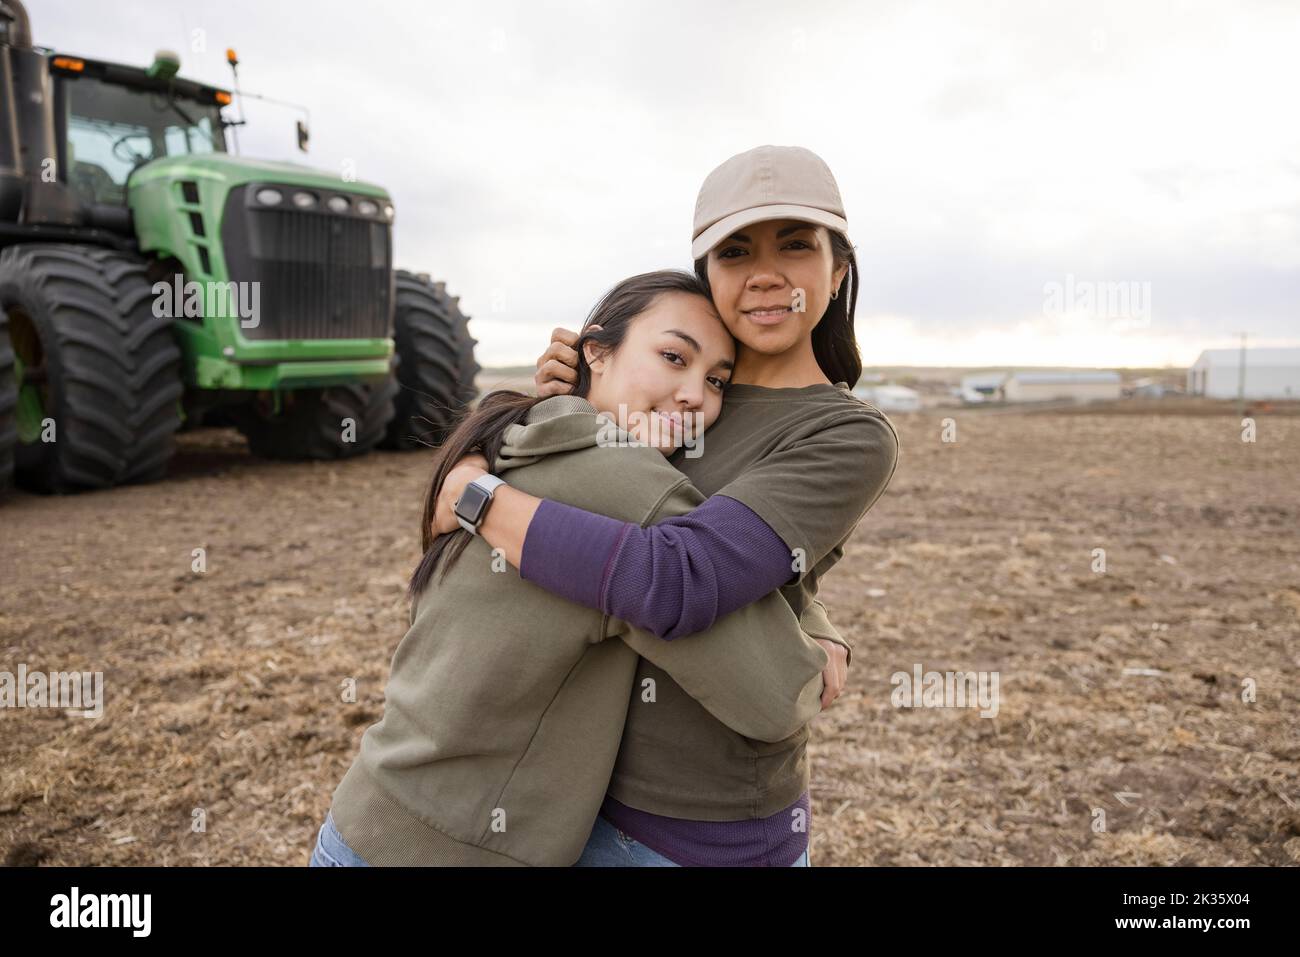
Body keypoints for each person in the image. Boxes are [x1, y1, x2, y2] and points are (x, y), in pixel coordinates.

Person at [432, 145, 900, 867]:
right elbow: (622, 506)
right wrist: (559, 412)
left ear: (838, 272)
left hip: (703, 823)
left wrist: (473, 495)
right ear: (707, 275)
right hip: (570, 793)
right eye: (736, 250)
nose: (766, 273)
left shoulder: (843, 432)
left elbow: (679, 575)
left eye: (797, 245)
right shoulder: (682, 389)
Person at [310, 270, 831, 867]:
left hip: (365, 820)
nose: (694, 394)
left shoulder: (516, 432)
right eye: (672, 356)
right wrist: (813, 636)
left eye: (716, 380)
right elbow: (776, 693)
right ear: (596, 352)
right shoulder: (628, 485)